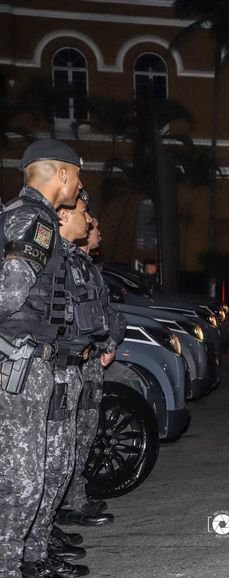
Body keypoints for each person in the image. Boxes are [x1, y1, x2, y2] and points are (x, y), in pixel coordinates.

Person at [0, 139, 83, 578]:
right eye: (78, 175)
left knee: (33, 477)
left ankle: (26, 562)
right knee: (21, 483)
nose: (79, 185)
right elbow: (9, 294)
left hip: (32, 362)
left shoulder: (27, 216)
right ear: (63, 174)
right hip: (18, 363)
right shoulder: (34, 220)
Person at [23, 193, 111, 578]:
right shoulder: (47, 254)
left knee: (62, 459)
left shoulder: (72, 261)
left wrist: (104, 342)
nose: (90, 222)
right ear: (61, 217)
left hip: (72, 365)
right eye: (84, 214)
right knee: (44, 467)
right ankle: (31, 554)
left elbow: (96, 310)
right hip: (53, 368)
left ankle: (40, 543)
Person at [57, 214, 123, 533]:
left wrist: (110, 340)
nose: (97, 229)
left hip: (90, 361)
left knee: (82, 435)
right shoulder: (64, 262)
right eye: (93, 223)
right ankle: (63, 511)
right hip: (73, 363)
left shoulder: (87, 268)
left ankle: (73, 501)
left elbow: (107, 314)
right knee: (65, 442)